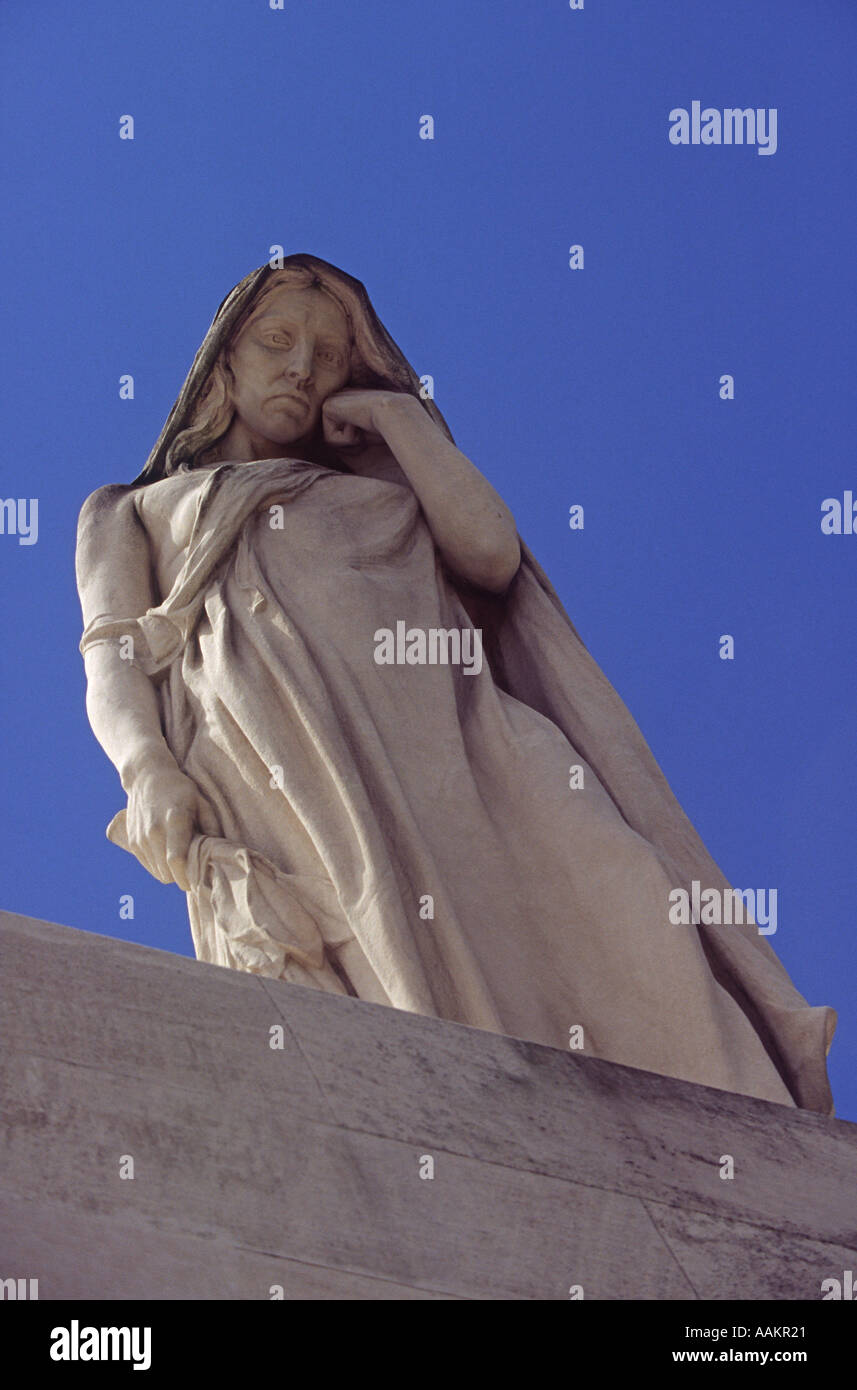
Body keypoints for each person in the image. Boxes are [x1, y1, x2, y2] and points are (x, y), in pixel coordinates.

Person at [76, 254, 836, 1113]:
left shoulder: (383, 481)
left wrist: (399, 419)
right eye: (277, 342)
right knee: (396, 980)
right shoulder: (129, 510)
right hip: (299, 757)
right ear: (224, 361)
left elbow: (490, 555)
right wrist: (147, 768)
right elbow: (113, 656)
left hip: (474, 742)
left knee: (630, 905)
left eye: (327, 356)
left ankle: (740, 1139)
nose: (301, 369)